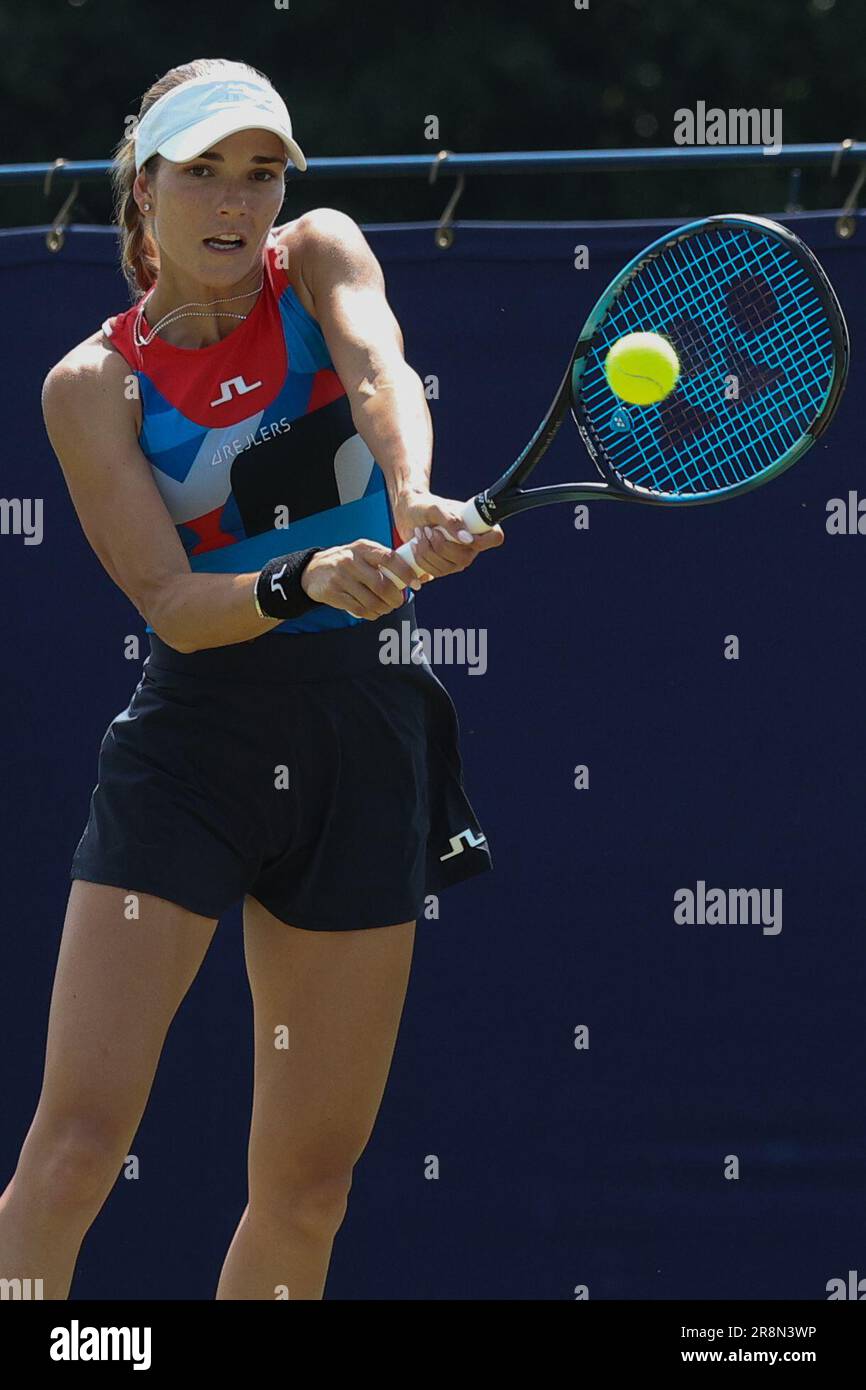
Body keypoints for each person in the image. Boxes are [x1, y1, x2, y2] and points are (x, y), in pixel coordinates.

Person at [0, 57, 503, 1300]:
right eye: (205, 174)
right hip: (193, 750)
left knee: (310, 1187)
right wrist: (301, 580)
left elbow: (381, 373)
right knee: (71, 1156)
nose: (236, 203)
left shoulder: (321, 253)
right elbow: (171, 603)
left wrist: (412, 495)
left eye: (260, 173)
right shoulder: (90, 384)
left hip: (365, 731)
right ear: (145, 185)